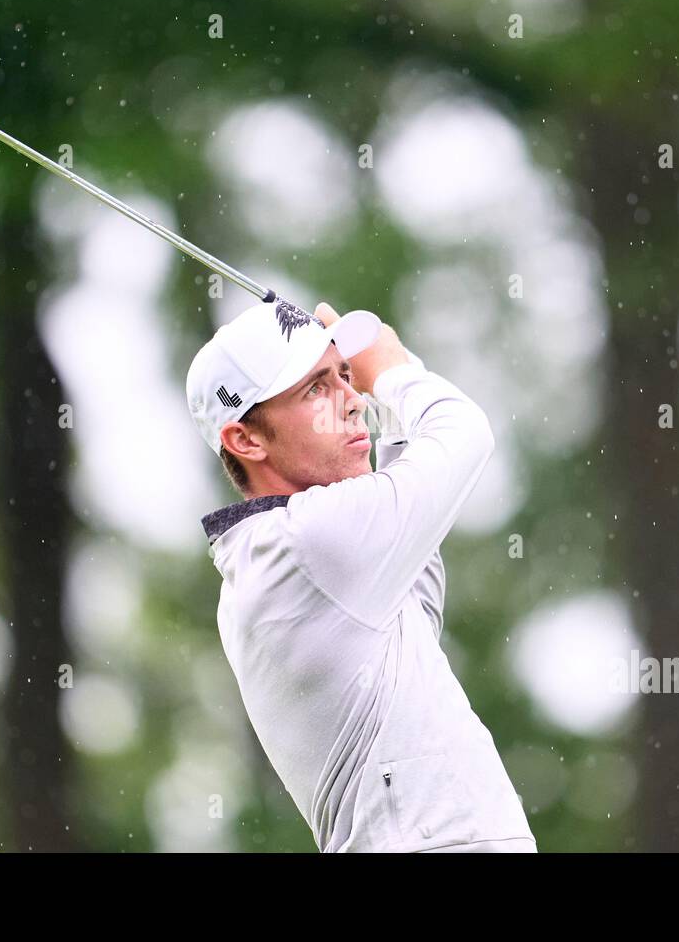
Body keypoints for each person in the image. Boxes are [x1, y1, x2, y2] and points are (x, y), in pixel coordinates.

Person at [185, 296, 537, 853]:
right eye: (315, 390)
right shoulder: (306, 542)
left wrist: (383, 399)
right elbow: (466, 433)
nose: (352, 402)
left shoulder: (291, 552)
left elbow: (419, 600)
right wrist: (393, 369)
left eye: (345, 378)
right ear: (246, 439)